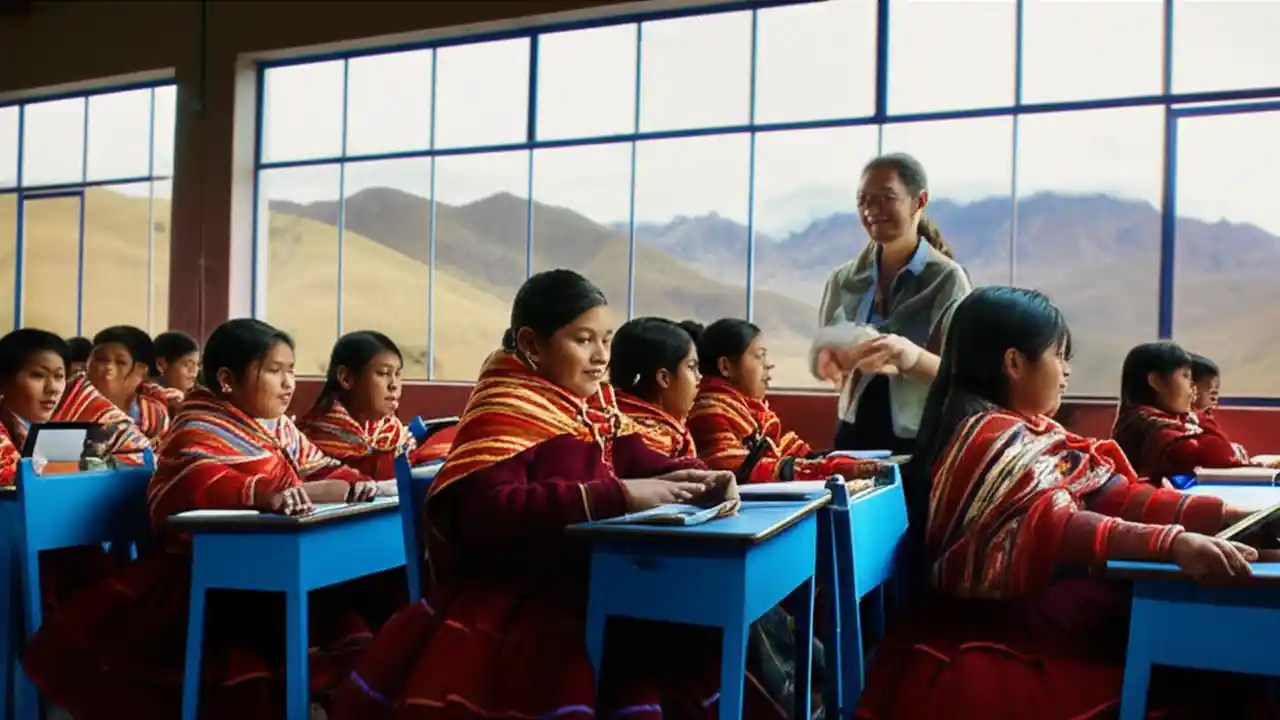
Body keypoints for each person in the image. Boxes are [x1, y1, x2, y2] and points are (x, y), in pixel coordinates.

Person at [328, 269, 771, 720]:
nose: (602, 357)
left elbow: (640, 459)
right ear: (532, 344)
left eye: (606, 340)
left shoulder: (589, 407)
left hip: (586, 574)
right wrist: (621, 496)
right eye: (583, 340)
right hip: (525, 594)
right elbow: (488, 512)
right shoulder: (503, 406)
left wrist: (703, 476)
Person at [855, 287, 1262, 720]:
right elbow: (1054, 526)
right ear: (1014, 363)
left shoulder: (1032, 432)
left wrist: (1233, 517)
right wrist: (1172, 542)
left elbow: (1114, 494)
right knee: (1190, 649)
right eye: (1059, 356)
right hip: (992, 624)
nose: (1066, 372)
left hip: (1033, 600)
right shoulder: (987, 437)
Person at [22, 318, 381, 720]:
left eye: (291, 371)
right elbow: (195, 479)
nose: (288, 383)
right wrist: (266, 494)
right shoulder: (197, 425)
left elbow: (317, 465)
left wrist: (357, 482)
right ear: (227, 380)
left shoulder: (275, 426)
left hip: (269, 559)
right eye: (275, 370)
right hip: (200, 574)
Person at [811, 153, 971, 455]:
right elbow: (825, 356)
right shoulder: (841, 279)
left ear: (919, 201)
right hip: (853, 433)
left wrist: (907, 357)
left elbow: (963, 376)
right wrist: (828, 359)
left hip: (921, 438)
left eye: (886, 198)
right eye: (863, 200)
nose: (872, 210)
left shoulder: (948, 280)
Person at [687, 318, 884, 484]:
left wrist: (845, 463)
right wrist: (827, 469)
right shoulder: (710, 412)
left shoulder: (751, 411)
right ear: (725, 367)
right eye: (759, 356)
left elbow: (794, 453)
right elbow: (740, 470)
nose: (768, 364)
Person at [298, 331, 457, 479]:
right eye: (383, 373)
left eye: (397, 374)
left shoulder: (396, 435)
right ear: (346, 378)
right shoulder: (312, 440)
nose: (394, 385)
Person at [0, 328, 151, 480]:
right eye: (38, 376)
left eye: (59, 376)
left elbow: (142, 457)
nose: (52, 389)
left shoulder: (83, 407)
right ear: (3, 380)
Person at [1112, 341, 1247, 480]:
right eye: (1185, 376)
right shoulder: (1150, 429)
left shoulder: (1155, 421)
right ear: (1156, 381)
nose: (1192, 386)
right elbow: (1219, 456)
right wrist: (1198, 416)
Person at [609, 317, 700, 459]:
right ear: (664, 378)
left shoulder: (609, 417)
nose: (699, 378)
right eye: (691, 367)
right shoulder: (647, 442)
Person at [87, 325, 170, 440]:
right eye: (101, 359)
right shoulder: (69, 409)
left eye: (120, 362)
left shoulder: (154, 420)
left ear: (141, 371)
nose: (108, 367)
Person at [147, 330, 201, 413]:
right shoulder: (146, 402)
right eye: (187, 365)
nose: (194, 371)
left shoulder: (198, 397)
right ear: (161, 365)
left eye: (197, 364)